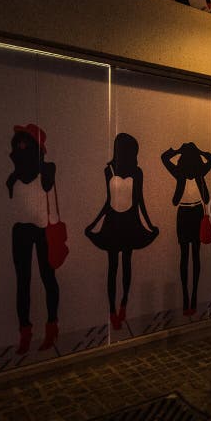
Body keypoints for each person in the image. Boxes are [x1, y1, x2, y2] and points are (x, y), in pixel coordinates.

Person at [86, 133, 159, 330]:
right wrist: (94, 223)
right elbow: (108, 202)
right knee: (113, 267)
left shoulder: (137, 172)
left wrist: (149, 225)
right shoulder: (108, 170)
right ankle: (112, 309)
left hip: (129, 221)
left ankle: (123, 304)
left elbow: (140, 201)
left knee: (125, 264)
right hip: (113, 221)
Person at [6, 124, 60, 354]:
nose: (21, 147)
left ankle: (51, 327)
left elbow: (51, 202)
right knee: (23, 282)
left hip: (42, 231)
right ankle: (25, 332)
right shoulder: (14, 177)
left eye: (25, 144)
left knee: (47, 278)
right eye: (19, 144)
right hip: (20, 232)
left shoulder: (46, 171)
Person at [161, 142, 211, 317]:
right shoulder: (189, 172)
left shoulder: (184, 172)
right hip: (188, 212)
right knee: (191, 256)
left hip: (189, 213)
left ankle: (191, 297)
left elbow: (165, 158)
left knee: (189, 256)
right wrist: (197, 151)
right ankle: (187, 298)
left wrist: (177, 151)